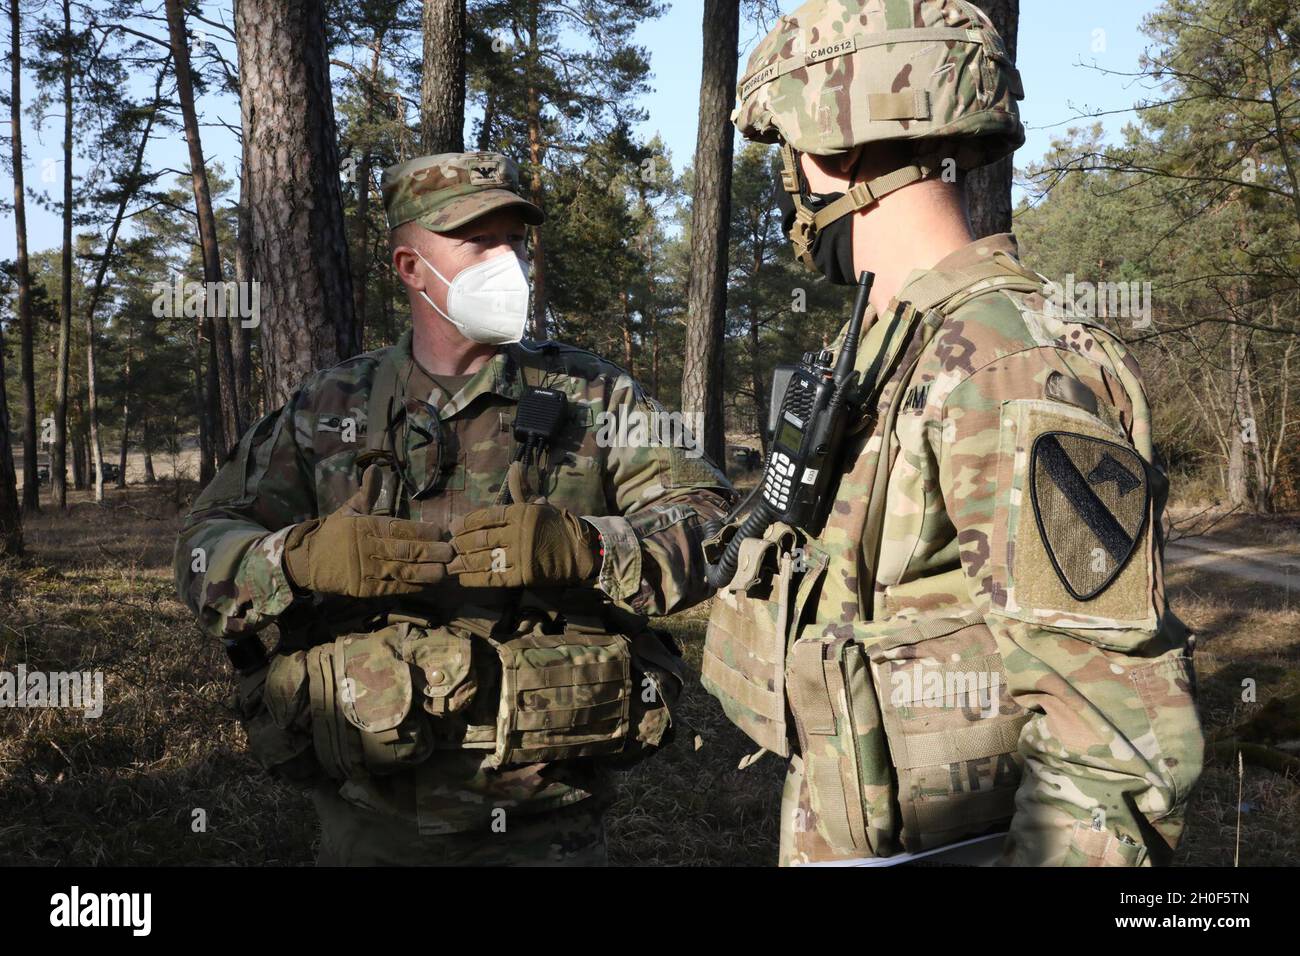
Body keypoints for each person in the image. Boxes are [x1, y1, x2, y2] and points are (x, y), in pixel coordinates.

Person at [702, 0, 1204, 866]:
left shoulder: (1002, 362)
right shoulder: (891, 348)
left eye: (788, 149)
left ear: (832, 143)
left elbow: (1115, 733)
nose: (789, 179)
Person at [175, 150, 734, 865]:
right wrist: (295, 559)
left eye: (515, 240)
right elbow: (200, 548)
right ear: (411, 268)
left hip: (549, 820)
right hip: (371, 818)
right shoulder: (331, 407)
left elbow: (715, 524)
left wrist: (592, 549)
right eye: (479, 242)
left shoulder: (592, 397)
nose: (509, 261)